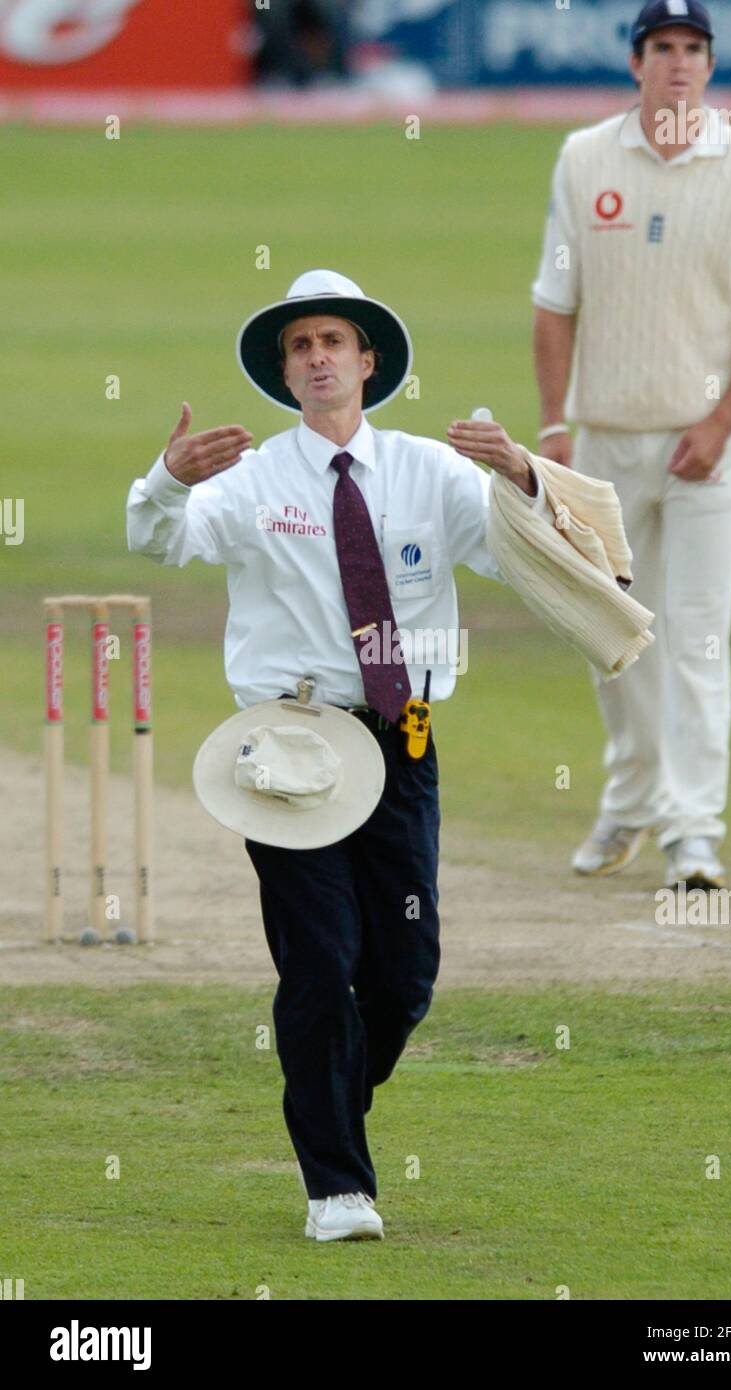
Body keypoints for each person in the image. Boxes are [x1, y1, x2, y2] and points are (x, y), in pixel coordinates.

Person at [126, 269, 544, 1242]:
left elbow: (520, 552)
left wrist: (522, 473)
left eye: (333, 342)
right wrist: (167, 480)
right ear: (286, 372)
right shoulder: (250, 477)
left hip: (405, 738)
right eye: (300, 346)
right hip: (287, 749)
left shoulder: (430, 471)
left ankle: (328, 1101)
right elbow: (159, 543)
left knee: (402, 974)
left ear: (368, 361)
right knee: (319, 959)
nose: (318, 358)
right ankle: (337, 1189)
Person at [531, 0, 731, 890]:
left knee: (695, 639)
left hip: (706, 449)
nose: (679, 63)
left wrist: (721, 420)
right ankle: (631, 802)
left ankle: (695, 832)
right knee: (612, 635)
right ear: (636, 61)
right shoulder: (584, 160)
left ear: (711, 66)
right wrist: (552, 424)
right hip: (605, 438)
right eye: (664, 48)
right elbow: (554, 304)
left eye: (694, 49)